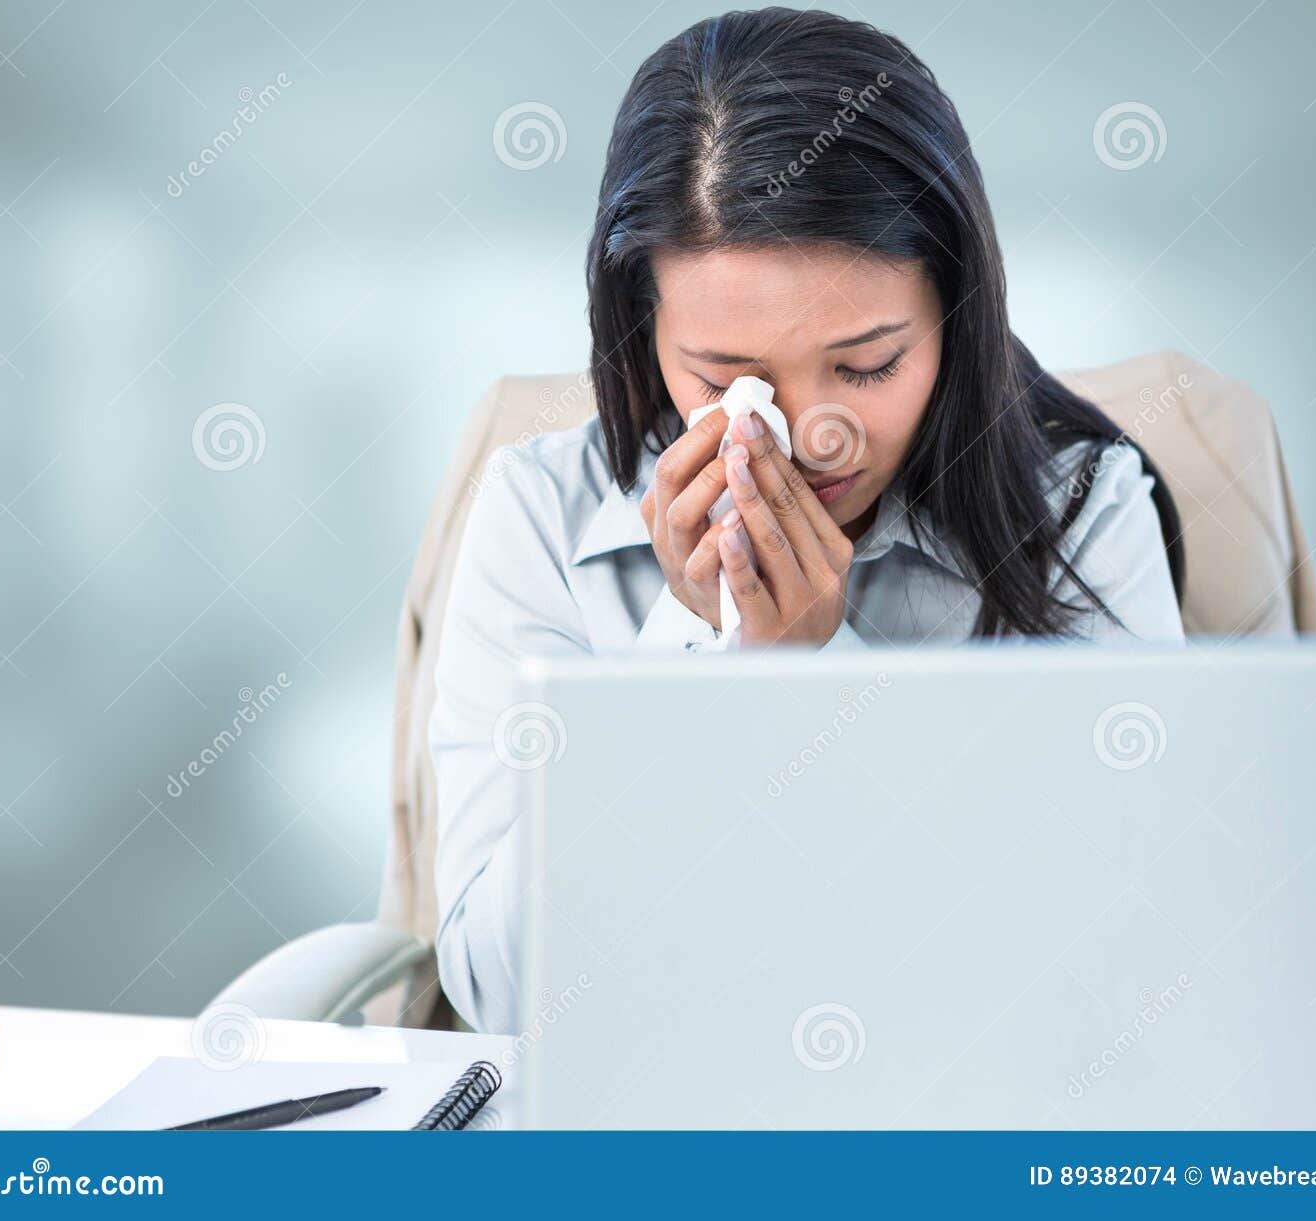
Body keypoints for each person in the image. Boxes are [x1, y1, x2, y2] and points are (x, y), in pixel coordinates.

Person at [430, 7, 1186, 1033]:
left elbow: (1113, 961)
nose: (812, 438)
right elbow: (504, 998)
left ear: (957, 322)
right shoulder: (536, 518)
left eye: (868, 365)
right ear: (641, 331)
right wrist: (697, 659)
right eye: (727, 381)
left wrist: (821, 676)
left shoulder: (1083, 513)